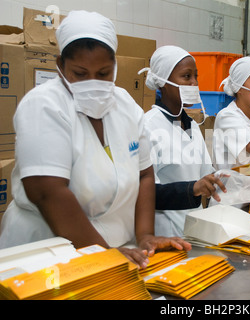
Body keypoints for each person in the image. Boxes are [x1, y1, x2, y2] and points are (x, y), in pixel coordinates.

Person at [0, 11, 190, 268]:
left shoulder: (125, 106)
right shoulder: (43, 105)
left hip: (115, 252)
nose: (92, 82)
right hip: (47, 254)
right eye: (80, 73)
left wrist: (145, 235)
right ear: (60, 65)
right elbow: (47, 191)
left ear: (115, 66)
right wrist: (103, 253)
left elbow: (144, 174)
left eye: (102, 73)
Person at [139, 45, 227, 238]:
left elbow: (208, 176)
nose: (194, 83)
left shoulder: (192, 127)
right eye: (186, 77)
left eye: (196, 77)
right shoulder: (148, 126)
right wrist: (191, 189)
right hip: (164, 236)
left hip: (193, 233)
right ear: (162, 82)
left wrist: (249, 178)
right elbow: (143, 193)